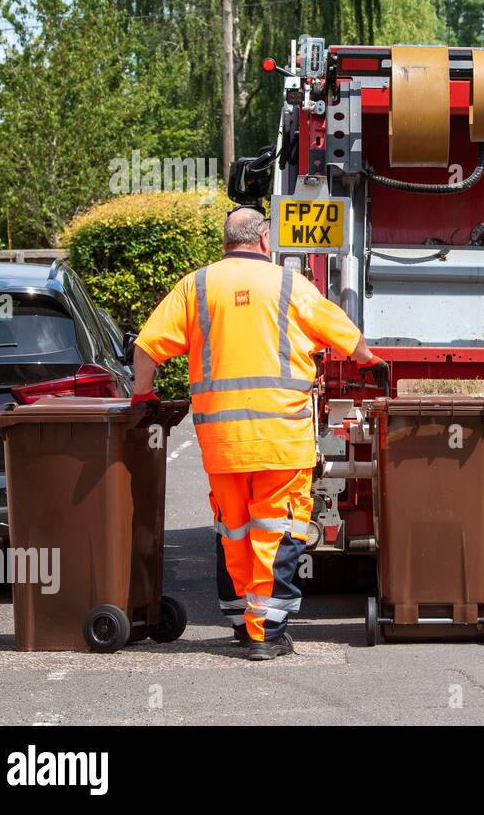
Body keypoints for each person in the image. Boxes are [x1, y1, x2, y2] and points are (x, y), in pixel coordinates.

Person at [131, 205, 389, 660]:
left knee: (235, 530)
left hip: (221, 443)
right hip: (279, 439)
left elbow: (148, 348)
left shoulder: (197, 285)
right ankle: (266, 632)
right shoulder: (289, 284)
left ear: (226, 242)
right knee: (275, 529)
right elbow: (347, 339)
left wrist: (142, 394)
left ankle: (240, 621)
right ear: (264, 241)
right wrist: (374, 360)